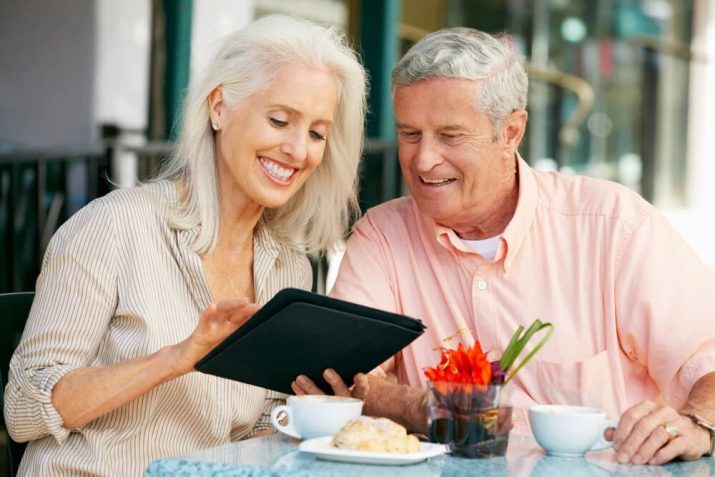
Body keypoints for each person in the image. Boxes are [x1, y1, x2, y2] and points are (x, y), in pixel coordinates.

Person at [293, 27, 715, 465]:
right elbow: (350, 382)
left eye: (450, 136)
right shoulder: (381, 236)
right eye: (410, 134)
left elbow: (707, 359)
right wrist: (428, 408)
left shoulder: (613, 227)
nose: (423, 160)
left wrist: (700, 423)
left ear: (511, 131)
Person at [3, 14, 366, 476]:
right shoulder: (114, 226)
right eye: (280, 120)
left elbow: (249, 436)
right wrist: (177, 358)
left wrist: (304, 413)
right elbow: (22, 410)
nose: (298, 150)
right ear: (220, 107)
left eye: (317, 133)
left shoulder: (288, 268)